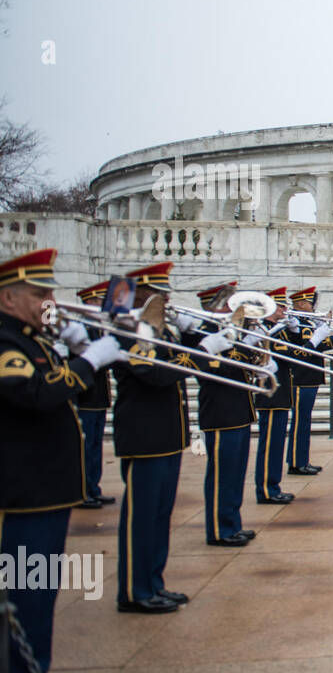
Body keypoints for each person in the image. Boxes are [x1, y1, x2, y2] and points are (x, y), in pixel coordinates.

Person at [1, 249, 118, 673]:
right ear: (8, 297)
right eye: (39, 293)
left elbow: (75, 393)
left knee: (40, 595)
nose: (50, 300)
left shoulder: (32, 339)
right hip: (23, 494)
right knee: (24, 597)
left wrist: (82, 354)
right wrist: (86, 358)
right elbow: (36, 396)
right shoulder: (6, 343)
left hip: (46, 492)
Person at [113, 261, 202, 614]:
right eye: (159, 292)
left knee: (160, 514)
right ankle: (135, 590)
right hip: (144, 436)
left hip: (167, 434)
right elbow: (153, 375)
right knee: (141, 516)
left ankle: (154, 582)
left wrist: (194, 335)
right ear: (142, 294)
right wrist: (197, 351)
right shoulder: (130, 330)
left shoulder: (160, 331)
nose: (166, 298)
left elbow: (177, 363)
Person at [193, 282, 267, 546]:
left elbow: (242, 365)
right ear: (213, 305)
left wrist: (252, 349)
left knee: (235, 474)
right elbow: (212, 371)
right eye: (227, 303)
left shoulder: (230, 331)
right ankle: (219, 529)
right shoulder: (202, 334)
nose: (233, 308)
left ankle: (232, 523)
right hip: (220, 411)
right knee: (221, 475)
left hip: (239, 410)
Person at [254, 288, 308, 504]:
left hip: (281, 392)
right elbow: (293, 354)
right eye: (281, 306)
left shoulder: (279, 329)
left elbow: (294, 348)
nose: (286, 309)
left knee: (276, 443)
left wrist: (295, 332)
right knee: (270, 444)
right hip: (271, 394)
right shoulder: (267, 330)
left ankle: (272, 486)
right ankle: (267, 489)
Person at [286, 287, 333, 477]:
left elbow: (320, 345)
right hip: (301, 377)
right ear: (300, 304)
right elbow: (306, 350)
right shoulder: (296, 324)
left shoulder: (306, 322)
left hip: (309, 377)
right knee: (300, 421)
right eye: (309, 303)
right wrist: (321, 334)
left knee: (304, 421)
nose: (312, 306)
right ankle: (296, 462)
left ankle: (300, 460)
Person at [73, 281, 115, 510]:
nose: (102, 304)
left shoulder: (99, 326)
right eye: (99, 300)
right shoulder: (81, 327)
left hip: (99, 396)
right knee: (86, 447)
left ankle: (93, 488)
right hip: (87, 397)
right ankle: (82, 491)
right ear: (89, 301)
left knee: (95, 446)